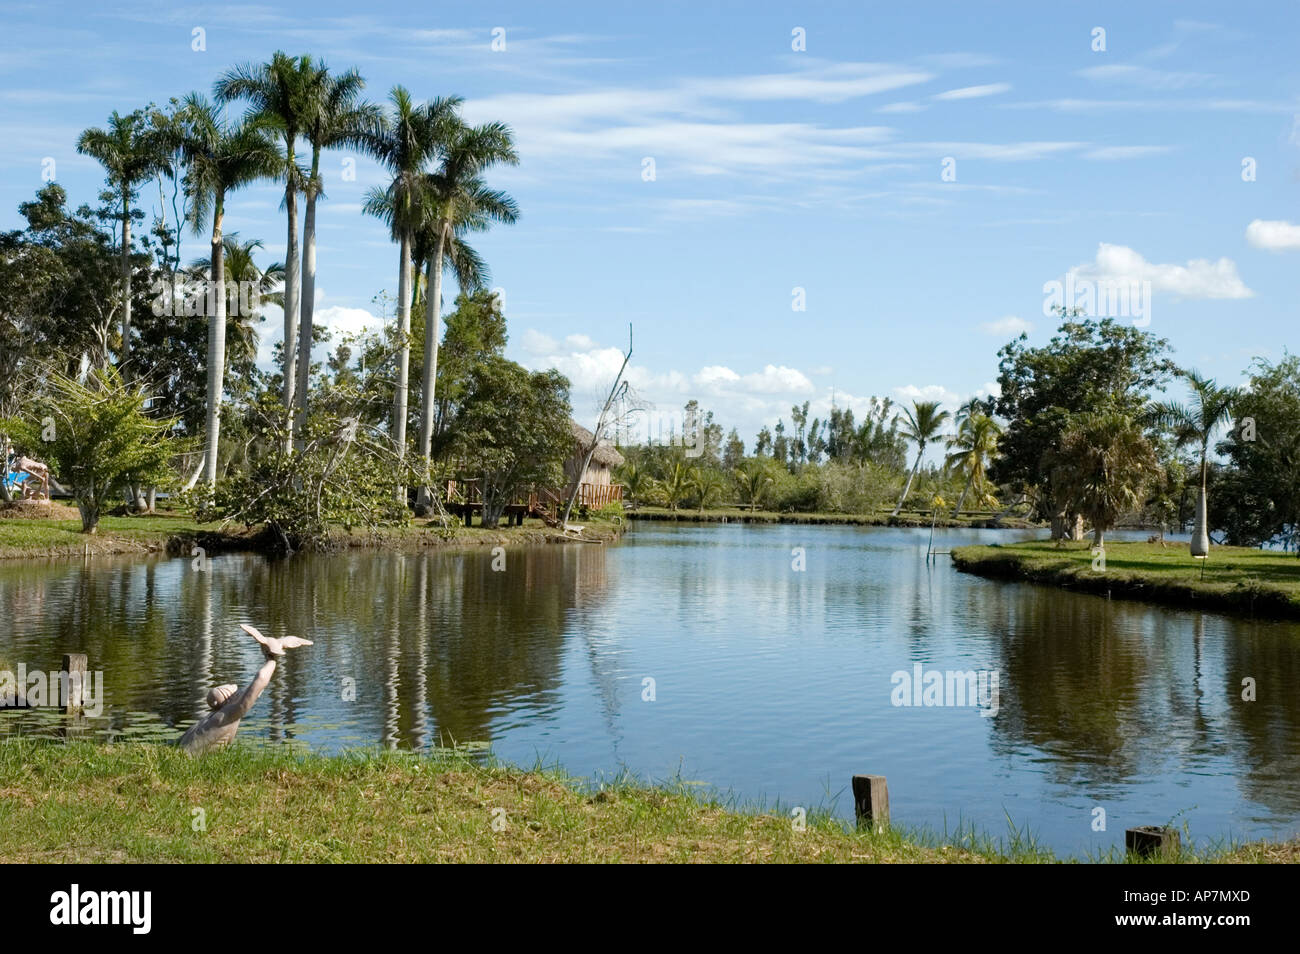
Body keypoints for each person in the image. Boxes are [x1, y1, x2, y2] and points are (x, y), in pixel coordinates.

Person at [179, 624, 313, 756]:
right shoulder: (227, 714)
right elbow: (259, 681)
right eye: (231, 689)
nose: (236, 689)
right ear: (228, 698)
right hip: (187, 759)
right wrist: (271, 657)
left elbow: (254, 691)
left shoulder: (213, 716)